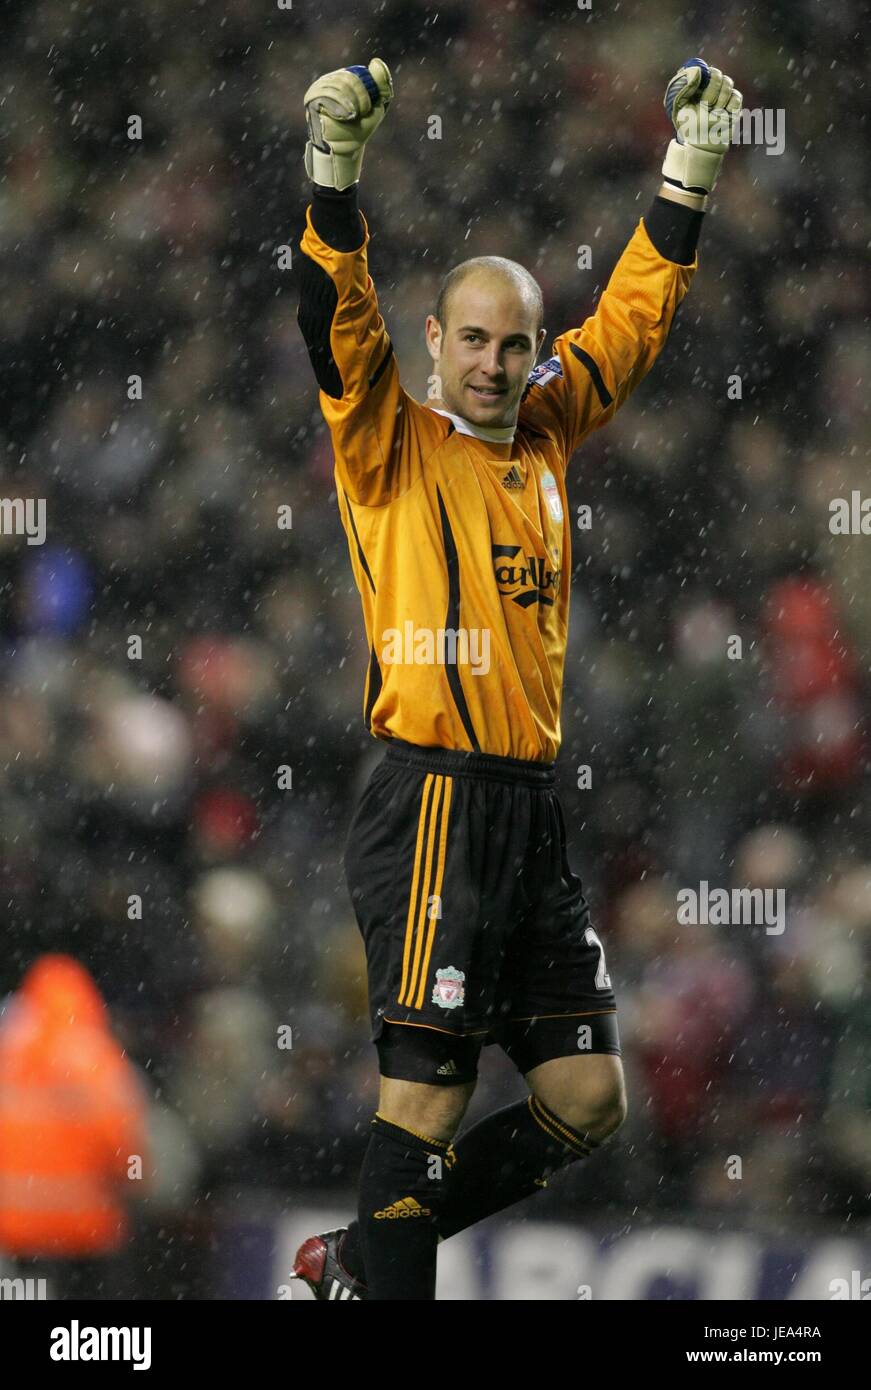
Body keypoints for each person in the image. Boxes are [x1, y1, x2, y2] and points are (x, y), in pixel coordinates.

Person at [290, 55, 742, 1301]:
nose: (493, 364)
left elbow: (633, 322)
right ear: (434, 342)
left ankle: (361, 1254)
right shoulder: (388, 439)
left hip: (525, 809)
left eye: (514, 344)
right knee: (426, 1093)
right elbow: (334, 313)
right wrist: (335, 177)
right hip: (431, 799)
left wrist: (687, 171)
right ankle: (378, 1270)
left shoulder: (543, 424)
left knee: (587, 1099)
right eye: (472, 340)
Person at [0, 955, 150, 1300]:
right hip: (85, 1229)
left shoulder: (8, 1055)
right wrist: (136, 1182)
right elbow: (122, 1140)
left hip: (18, 1229)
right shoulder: (95, 1056)